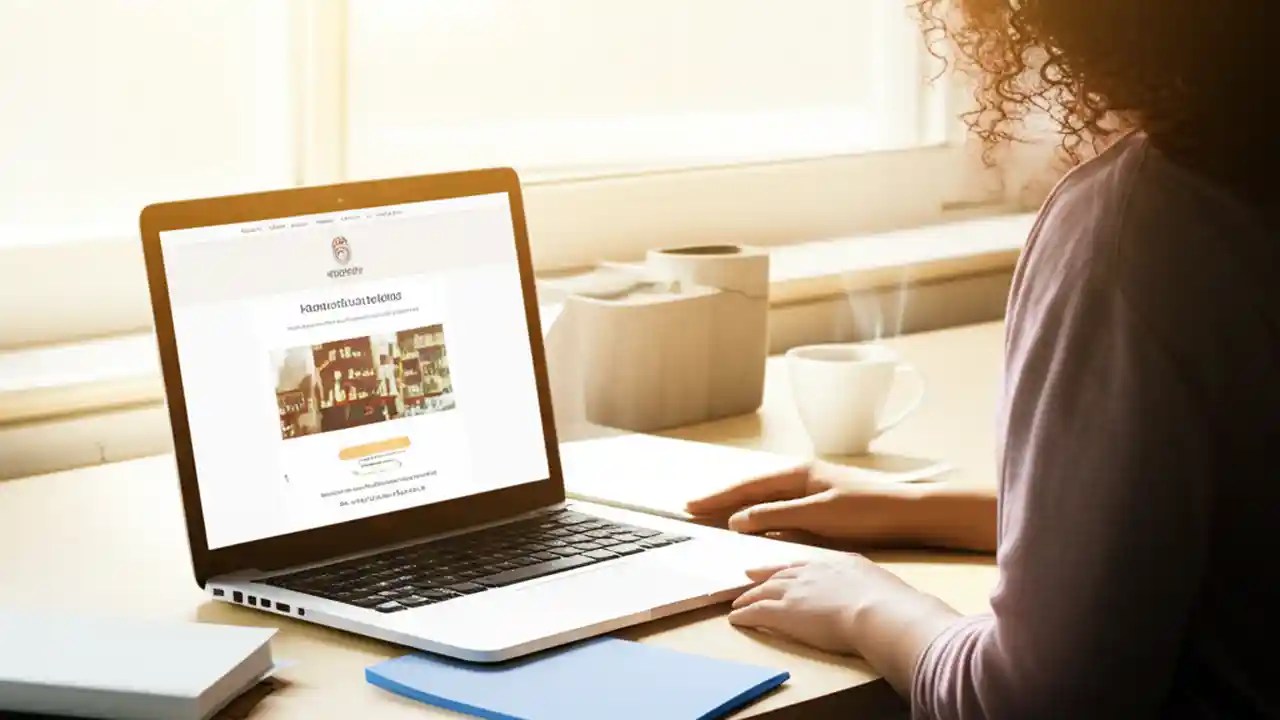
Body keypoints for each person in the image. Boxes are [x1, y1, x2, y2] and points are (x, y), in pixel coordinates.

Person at [688, 1, 1278, 717]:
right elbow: (1229, 521)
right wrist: (923, 508)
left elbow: (1032, 702)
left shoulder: (1140, 233)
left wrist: (868, 607)